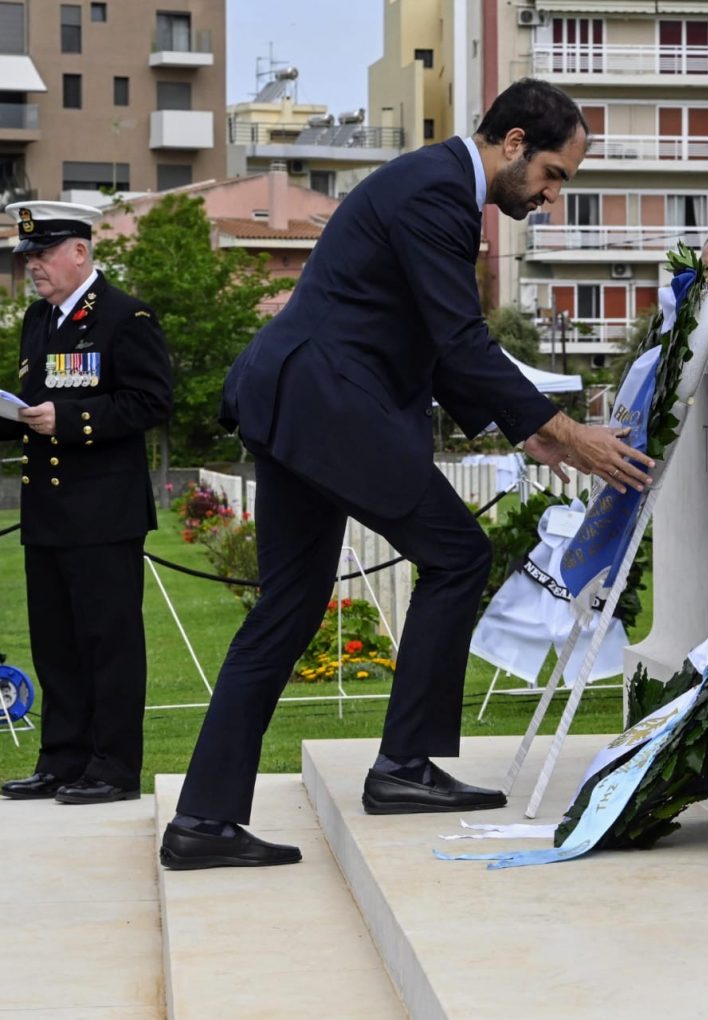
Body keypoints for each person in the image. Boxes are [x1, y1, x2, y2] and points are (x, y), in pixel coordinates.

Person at [159, 78, 655, 870]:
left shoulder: (432, 185)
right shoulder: (437, 194)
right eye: (555, 176)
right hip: (328, 407)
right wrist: (564, 429)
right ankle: (401, 767)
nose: (554, 197)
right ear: (515, 144)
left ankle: (204, 822)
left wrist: (532, 436)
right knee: (457, 554)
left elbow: (429, 341)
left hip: (302, 405)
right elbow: (460, 340)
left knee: (286, 609)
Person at [0, 201, 172, 805]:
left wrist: (71, 420)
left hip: (103, 513)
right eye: (27, 259)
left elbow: (151, 402)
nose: (33, 269)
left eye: (42, 255)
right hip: (46, 511)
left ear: (79, 251)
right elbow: (32, 406)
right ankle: (62, 758)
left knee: (108, 642)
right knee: (57, 644)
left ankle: (112, 766)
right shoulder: (38, 320)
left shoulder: (126, 316)